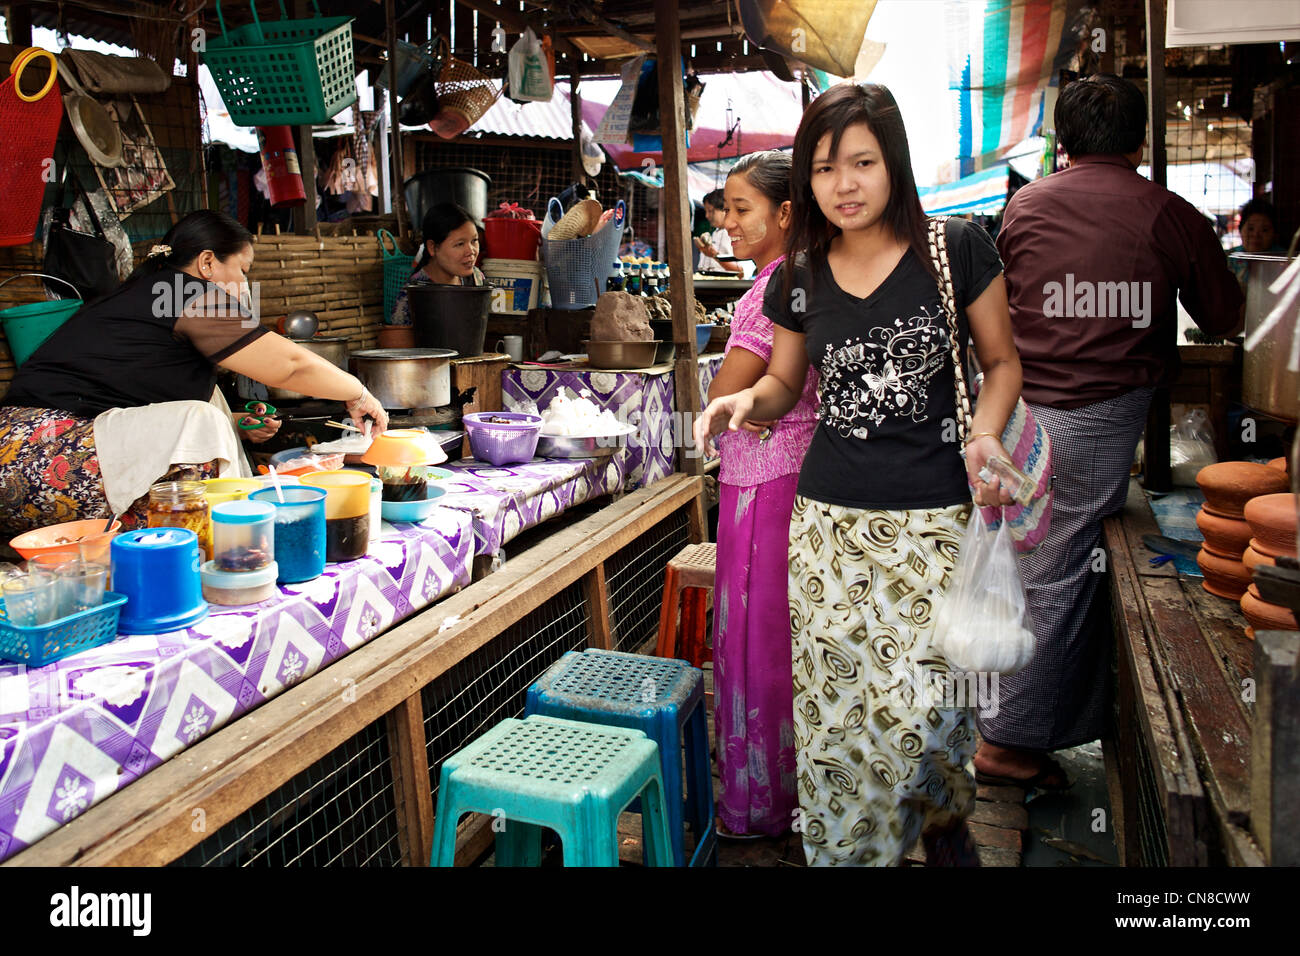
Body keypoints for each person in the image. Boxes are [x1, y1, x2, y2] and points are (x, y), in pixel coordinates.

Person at [695, 82, 1022, 867]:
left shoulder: (957, 249)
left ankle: (941, 838)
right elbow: (784, 381)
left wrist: (983, 434)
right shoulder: (797, 276)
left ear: (894, 164)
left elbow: (1003, 362)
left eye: (863, 163)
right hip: (827, 532)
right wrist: (744, 402)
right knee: (839, 723)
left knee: (928, 718)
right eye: (824, 168)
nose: (844, 184)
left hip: (935, 525)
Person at [976, 73, 1244, 789]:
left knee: (1036, 561)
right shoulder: (1168, 212)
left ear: (1063, 141)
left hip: (1020, 409)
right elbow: (1223, 315)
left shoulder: (1023, 205)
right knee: (1055, 574)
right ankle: (1005, 743)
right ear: (1139, 141)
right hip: (1094, 417)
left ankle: (1029, 724)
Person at [0, 210, 389, 540]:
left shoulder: (144, 295)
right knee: (199, 421)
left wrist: (233, 424)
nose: (244, 285)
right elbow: (291, 365)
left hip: (22, 462)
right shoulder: (180, 292)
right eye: (242, 270)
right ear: (207, 263)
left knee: (209, 411)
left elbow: (130, 397)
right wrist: (357, 392)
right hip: (42, 456)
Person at [705, 150, 817, 839]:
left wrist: (721, 389)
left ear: (783, 213)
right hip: (772, 477)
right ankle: (782, 797)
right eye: (725, 207)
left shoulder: (778, 283)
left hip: (766, 484)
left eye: (741, 208)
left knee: (757, 640)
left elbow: (731, 394)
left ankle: (761, 805)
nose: (726, 221)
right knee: (768, 638)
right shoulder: (784, 280)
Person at [389, 202, 486, 327]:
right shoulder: (412, 297)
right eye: (460, 244)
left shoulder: (477, 280)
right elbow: (400, 344)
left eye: (474, 241)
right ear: (432, 247)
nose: (471, 251)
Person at [1227, 197, 1286, 291]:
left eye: (1264, 230)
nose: (1256, 235)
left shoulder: (1283, 259)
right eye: (1250, 229)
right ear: (1240, 230)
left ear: (1274, 234)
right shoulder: (1229, 258)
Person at [693, 189, 744, 275]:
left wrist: (714, 255)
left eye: (710, 211)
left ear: (724, 210)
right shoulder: (716, 233)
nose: (707, 216)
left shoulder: (736, 234)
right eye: (706, 211)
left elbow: (740, 270)